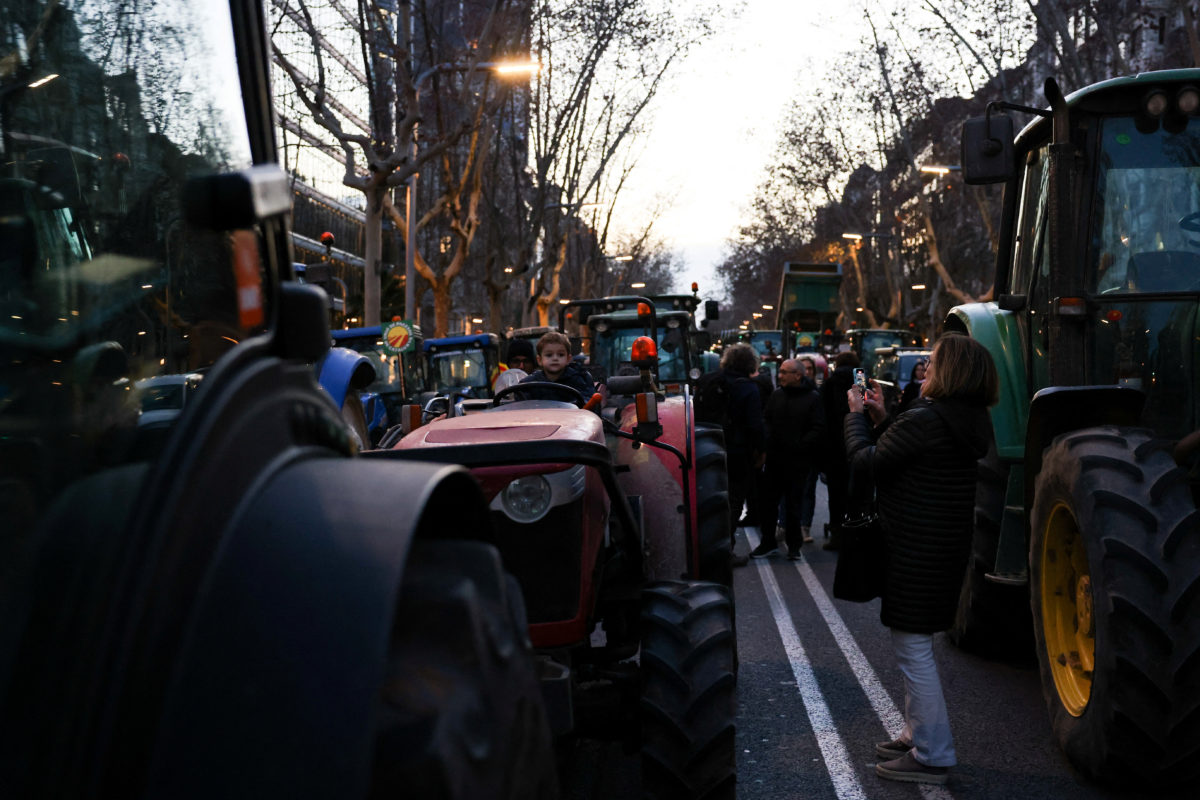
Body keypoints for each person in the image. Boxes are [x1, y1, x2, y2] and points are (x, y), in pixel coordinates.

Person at [843, 333, 998, 785]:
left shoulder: (928, 419)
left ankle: (933, 754)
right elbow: (910, 453)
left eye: (931, 365)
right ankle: (916, 734)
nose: (924, 370)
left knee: (914, 651)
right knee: (915, 645)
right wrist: (884, 415)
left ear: (949, 372)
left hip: (915, 548)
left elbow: (866, 462)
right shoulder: (962, 418)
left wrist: (855, 418)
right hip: (939, 547)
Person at [748, 358, 824, 559]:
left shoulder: (813, 398)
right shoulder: (777, 395)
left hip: (798, 461)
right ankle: (768, 542)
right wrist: (767, 438)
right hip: (774, 459)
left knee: (793, 505)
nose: (779, 375)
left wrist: (800, 445)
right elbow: (766, 418)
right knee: (769, 503)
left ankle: (793, 546)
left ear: (797, 375)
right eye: (780, 372)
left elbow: (818, 428)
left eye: (784, 372)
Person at [717, 343, 765, 567]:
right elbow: (755, 425)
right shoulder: (748, 388)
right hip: (738, 451)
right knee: (734, 501)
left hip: (711, 447)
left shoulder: (711, 380)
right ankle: (726, 550)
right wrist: (760, 451)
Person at [820, 351, 860, 550]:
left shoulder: (830, 382)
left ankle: (837, 534)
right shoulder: (860, 380)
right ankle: (857, 532)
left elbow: (823, 416)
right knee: (858, 491)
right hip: (858, 441)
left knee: (835, 494)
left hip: (835, 446)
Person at [518, 331, 595, 400]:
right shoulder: (529, 384)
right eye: (549, 355)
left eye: (560, 355)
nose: (555, 358)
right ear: (540, 360)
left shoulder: (579, 380)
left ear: (568, 359)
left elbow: (586, 403)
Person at [797, 356, 822, 541]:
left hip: (811, 449)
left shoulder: (818, 392)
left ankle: (804, 527)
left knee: (808, 490)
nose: (807, 372)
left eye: (810, 369)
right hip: (792, 448)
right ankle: (784, 525)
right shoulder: (786, 392)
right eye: (804, 369)